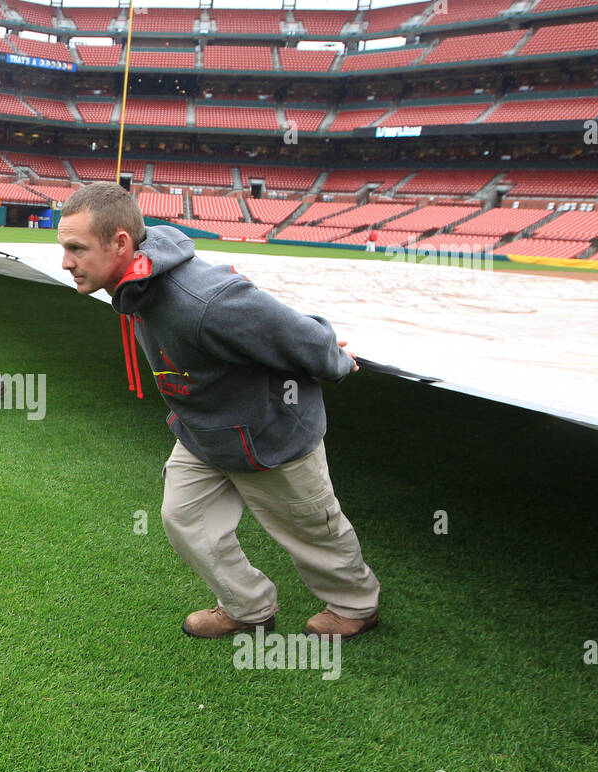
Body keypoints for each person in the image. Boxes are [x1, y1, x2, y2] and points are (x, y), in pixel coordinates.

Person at [57, 182, 381, 640]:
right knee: (184, 517)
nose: (66, 262)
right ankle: (248, 607)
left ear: (122, 244)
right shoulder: (135, 281)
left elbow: (296, 333)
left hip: (269, 434)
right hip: (204, 431)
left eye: (76, 248)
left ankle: (356, 605)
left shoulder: (203, 299)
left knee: (311, 529)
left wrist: (332, 358)